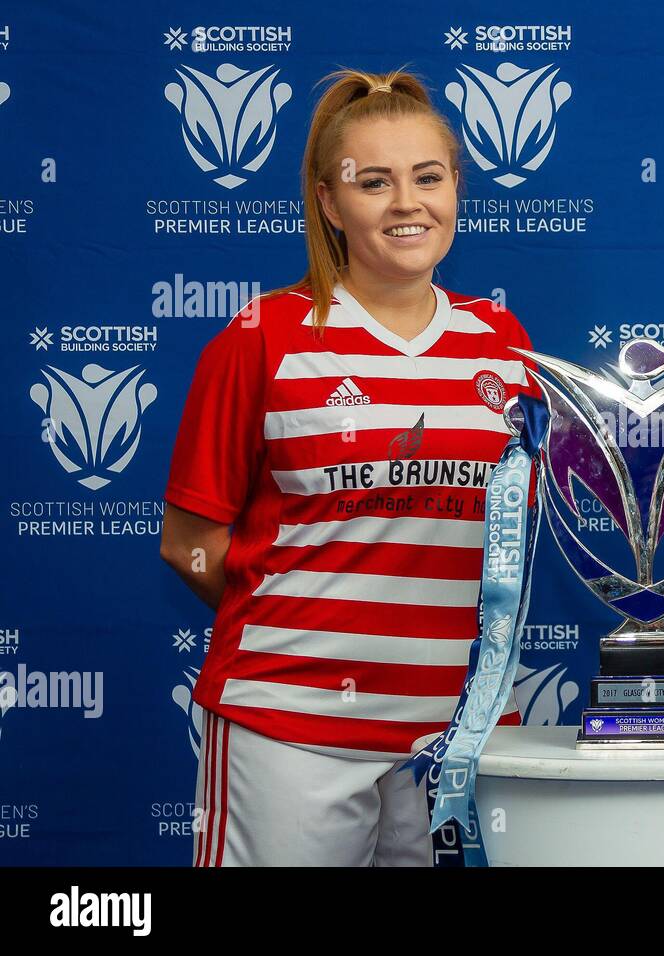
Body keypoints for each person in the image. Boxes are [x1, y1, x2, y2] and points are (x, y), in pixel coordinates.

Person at [159, 68, 537, 866]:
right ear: (330, 203)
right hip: (289, 725)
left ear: (455, 189)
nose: (407, 203)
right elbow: (190, 543)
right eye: (374, 182)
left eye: (427, 177)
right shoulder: (261, 335)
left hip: (456, 732)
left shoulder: (503, 340)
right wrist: (306, 630)